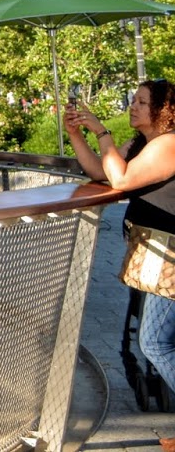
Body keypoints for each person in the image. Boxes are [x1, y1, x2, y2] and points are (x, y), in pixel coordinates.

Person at [68, 78, 175, 451]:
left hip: (171, 260)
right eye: (134, 99)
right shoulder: (144, 143)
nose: (133, 106)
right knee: (161, 341)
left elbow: (123, 177)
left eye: (142, 101)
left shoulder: (170, 144)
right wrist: (78, 134)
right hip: (159, 257)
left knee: (155, 342)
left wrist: (101, 129)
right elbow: (101, 173)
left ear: (164, 110)